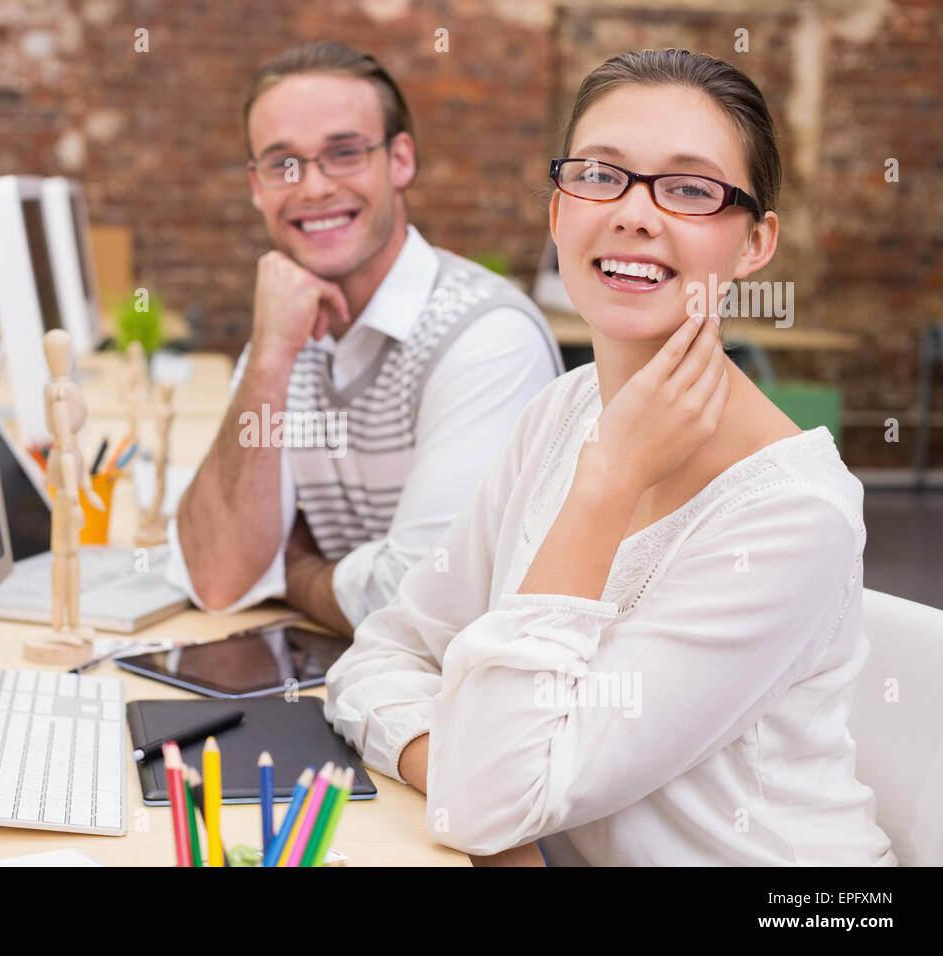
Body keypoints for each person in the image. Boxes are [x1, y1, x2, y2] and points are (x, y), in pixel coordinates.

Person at [325, 49, 896, 867]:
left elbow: (487, 804)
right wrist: (455, 769)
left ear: (754, 245)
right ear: (559, 212)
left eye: (690, 190)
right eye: (600, 175)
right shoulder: (563, 408)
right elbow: (385, 653)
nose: (634, 213)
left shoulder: (792, 514)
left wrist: (607, 480)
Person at [168, 42, 562, 636]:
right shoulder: (283, 336)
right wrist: (271, 356)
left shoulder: (486, 338)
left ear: (400, 160)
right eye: (283, 165)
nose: (314, 187)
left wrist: (295, 570)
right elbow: (221, 581)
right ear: (256, 186)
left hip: (461, 714)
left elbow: (425, 607)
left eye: (344, 153)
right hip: (348, 685)